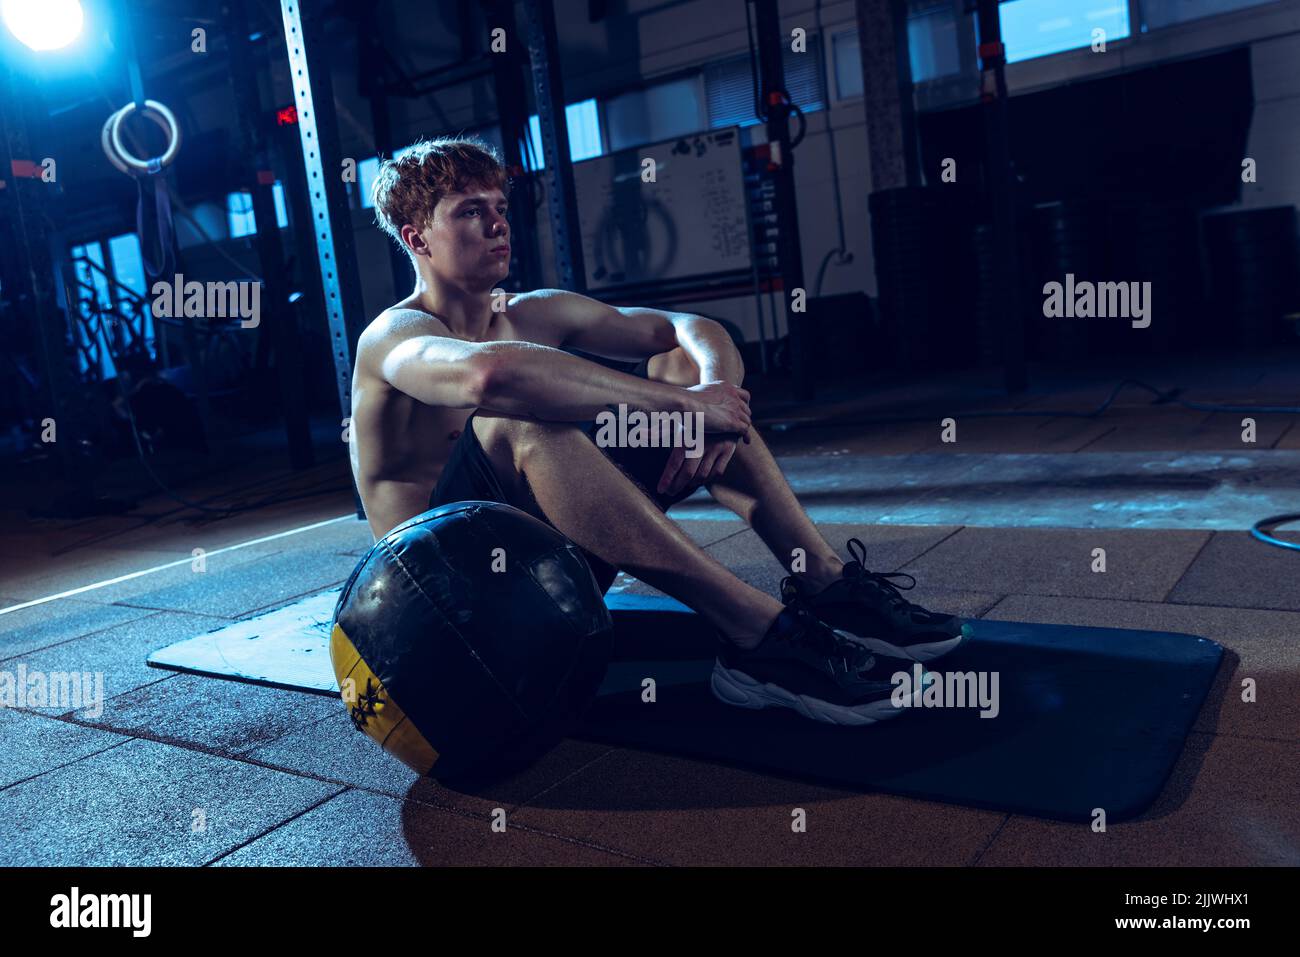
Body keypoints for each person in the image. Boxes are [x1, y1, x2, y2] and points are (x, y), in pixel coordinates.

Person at [348, 136, 968, 726]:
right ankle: (757, 637)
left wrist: (710, 404)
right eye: (470, 212)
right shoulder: (392, 338)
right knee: (521, 418)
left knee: (682, 373)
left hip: (545, 574)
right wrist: (690, 410)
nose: (498, 224)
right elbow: (489, 378)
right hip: (450, 611)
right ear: (417, 238)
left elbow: (688, 329)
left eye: (501, 208)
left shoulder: (532, 312)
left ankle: (826, 584)